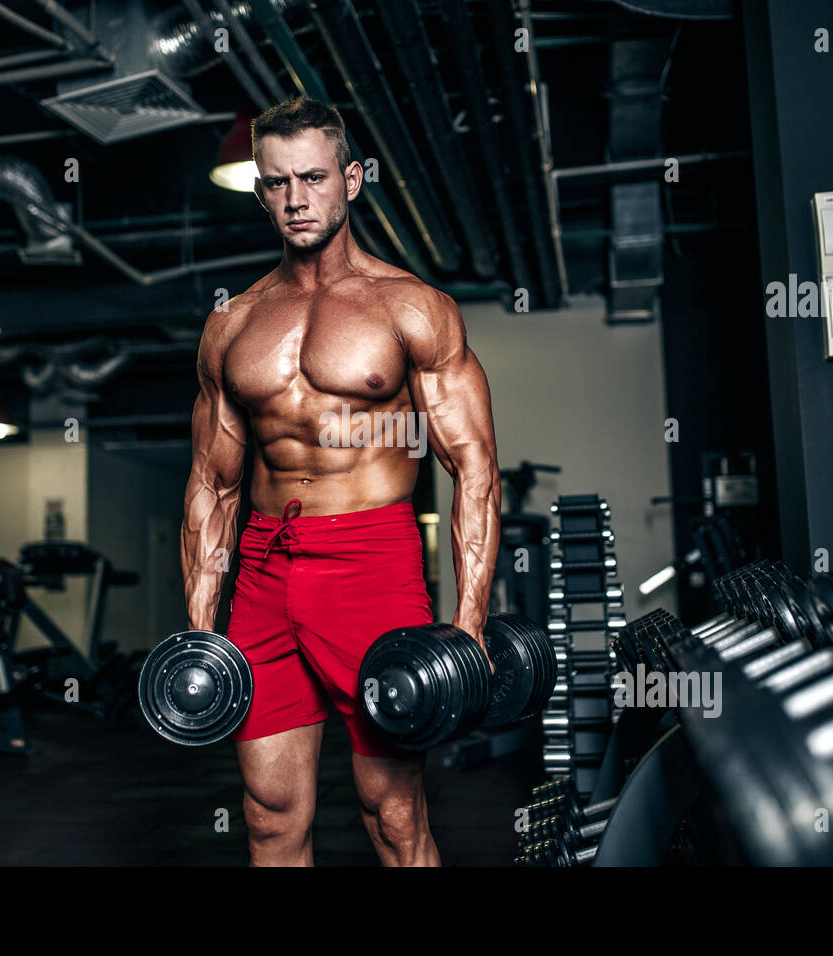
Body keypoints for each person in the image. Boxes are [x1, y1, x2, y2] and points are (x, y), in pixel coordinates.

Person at [182, 94, 501, 866]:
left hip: (371, 561)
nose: (297, 199)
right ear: (260, 189)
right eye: (279, 182)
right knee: (268, 817)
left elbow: (475, 469)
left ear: (352, 179)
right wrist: (201, 631)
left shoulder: (411, 307)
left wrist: (469, 624)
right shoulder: (233, 324)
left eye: (315, 177)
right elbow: (213, 485)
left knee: (392, 814)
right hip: (262, 569)